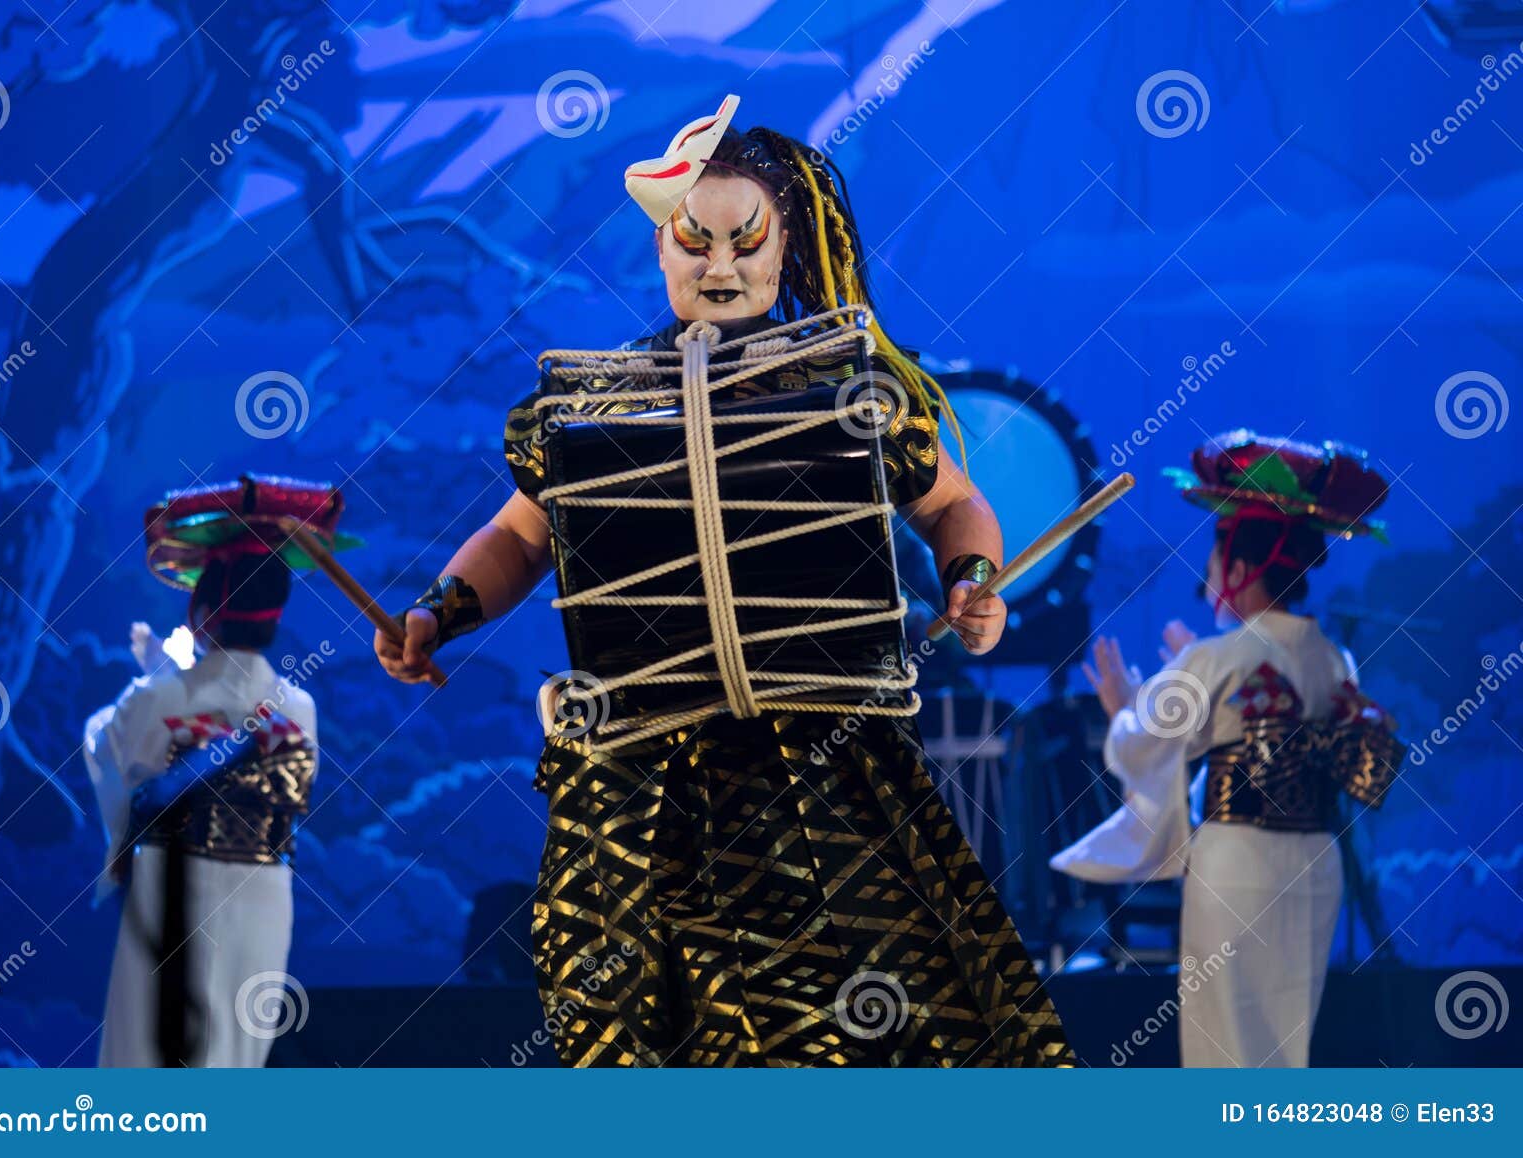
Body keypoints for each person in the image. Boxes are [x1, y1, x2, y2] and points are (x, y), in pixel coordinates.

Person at [375, 95, 1072, 1067]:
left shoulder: (845, 385)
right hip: (640, 776)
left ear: (784, 248)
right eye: (694, 243)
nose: (720, 266)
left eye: (746, 243)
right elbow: (519, 536)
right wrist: (435, 613)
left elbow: (953, 505)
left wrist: (973, 578)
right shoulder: (592, 405)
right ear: (659, 250)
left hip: (819, 763)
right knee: (635, 1023)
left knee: (847, 1015)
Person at [1052, 431, 1404, 1067]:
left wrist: (1121, 706)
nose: (1211, 571)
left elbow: (1142, 744)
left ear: (1240, 568)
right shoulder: (1333, 659)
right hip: (1313, 863)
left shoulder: (1214, 657)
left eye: (1216, 555)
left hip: (1238, 862)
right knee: (1285, 1037)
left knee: (1226, 1042)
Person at [84, 505, 318, 1068]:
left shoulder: (159, 698)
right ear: (273, 617)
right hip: (263, 886)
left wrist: (159, 674)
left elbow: (104, 746)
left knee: (150, 1051)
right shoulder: (300, 708)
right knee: (235, 1054)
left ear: (204, 613)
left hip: (173, 880)